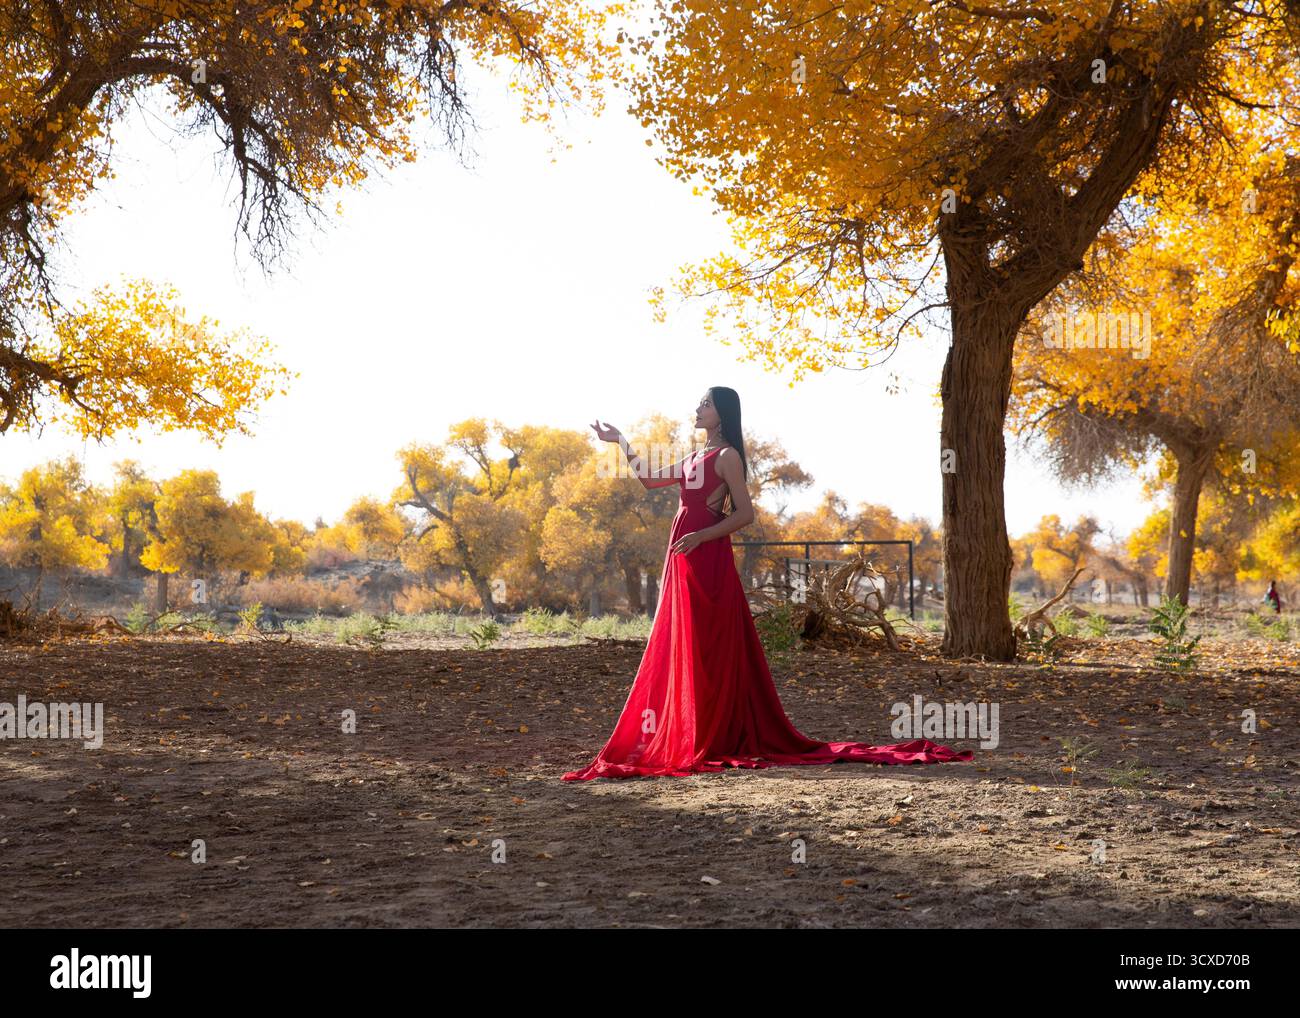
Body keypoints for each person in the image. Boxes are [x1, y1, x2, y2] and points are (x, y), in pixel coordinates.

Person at [563, 387, 972, 781]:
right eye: (699, 402)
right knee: (686, 642)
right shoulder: (693, 458)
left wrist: (703, 536)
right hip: (683, 555)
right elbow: (650, 479)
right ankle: (696, 730)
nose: (698, 408)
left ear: (722, 412)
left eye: (705, 403)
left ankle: (715, 734)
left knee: (710, 642)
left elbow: (746, 515)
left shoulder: (727, 458)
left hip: (707, 556)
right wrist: (621, 442)